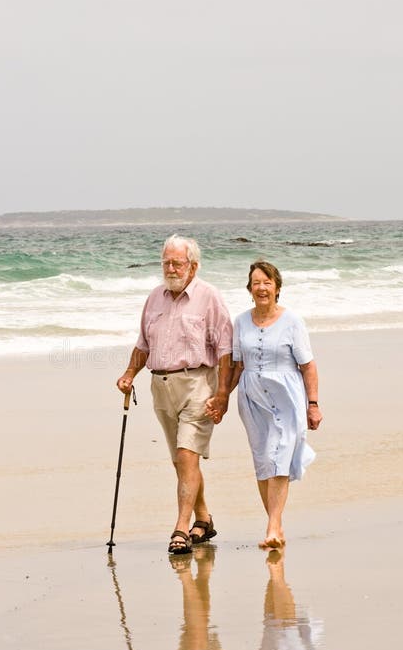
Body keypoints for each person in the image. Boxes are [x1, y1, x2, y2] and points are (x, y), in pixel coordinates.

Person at [116, 234, 233, 555]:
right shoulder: (154, 297)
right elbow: (143, 344)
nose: (170, 268)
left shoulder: (209, 297)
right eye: (165, 262)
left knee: (186, 455)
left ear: (193, 266)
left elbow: (226, 349)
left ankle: (181, 529)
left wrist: (222, 395)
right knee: (182, 462)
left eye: (176, 262)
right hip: (161, 387)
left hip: (198, 385)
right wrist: (129, 374)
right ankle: (204, 518)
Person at [222, 260, 322, 549]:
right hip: (252, 398)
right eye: (256, 283)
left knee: (278, 454)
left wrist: (313, 404)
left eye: (267, 282)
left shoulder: (293, 321)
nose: (262, 288)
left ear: (277, 287)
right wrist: (222, 398)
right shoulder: (240, 321)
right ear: (249, 289)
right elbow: (238, 366)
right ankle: (275, 525)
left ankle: (273, 526)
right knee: (263, 460)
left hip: (286, 396)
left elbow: (308, 366)